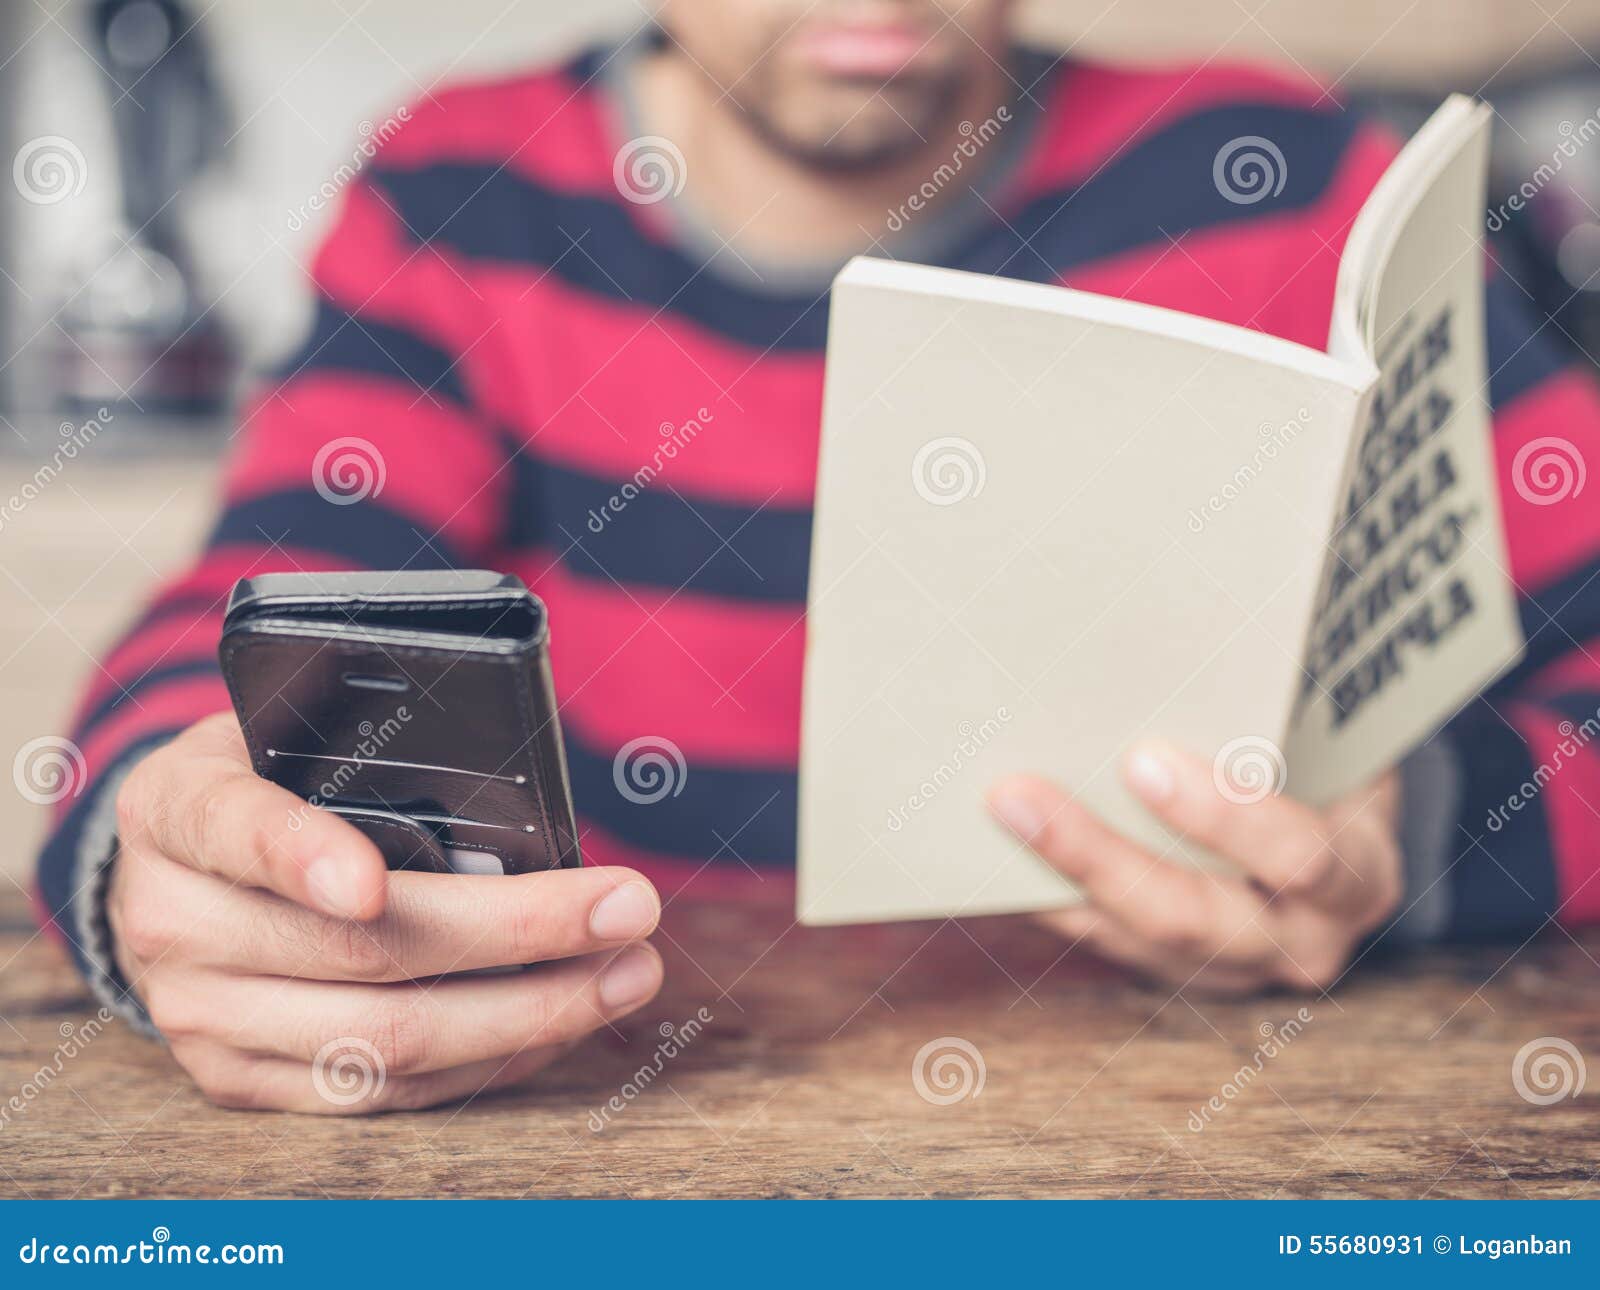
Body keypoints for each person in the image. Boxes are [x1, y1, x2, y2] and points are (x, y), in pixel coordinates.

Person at [33, 0, 1600, 1112]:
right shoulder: (466, 195)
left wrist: (1411, 839)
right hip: (607, 1127)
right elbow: (252, 622)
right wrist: (148, 851)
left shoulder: (1289, 183)